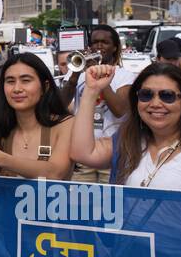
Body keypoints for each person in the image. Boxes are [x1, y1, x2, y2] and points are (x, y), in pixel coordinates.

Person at [70, 63, 181, 193]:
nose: (155, 104)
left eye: (167, 96)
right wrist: (91, 91)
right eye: (146, 95)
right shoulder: (126, 141)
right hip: (129, 243)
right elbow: (82, 153)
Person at [0, 51, 74, 179]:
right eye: (10, 81)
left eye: (26, 80)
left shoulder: (65, 124)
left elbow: (55, 173)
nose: (17, 88)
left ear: (45, 87)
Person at [56, 24, 134, 182]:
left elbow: (119, 109)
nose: (98, 46)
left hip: (112, 153)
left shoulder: (125, 76)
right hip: (81, 153)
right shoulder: (76, 73)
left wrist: (99, 80)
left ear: (114, 47)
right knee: (79, 204)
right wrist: (73, 77)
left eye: (104, 42)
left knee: (110, 204)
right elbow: (60, 106)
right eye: (94, 42)